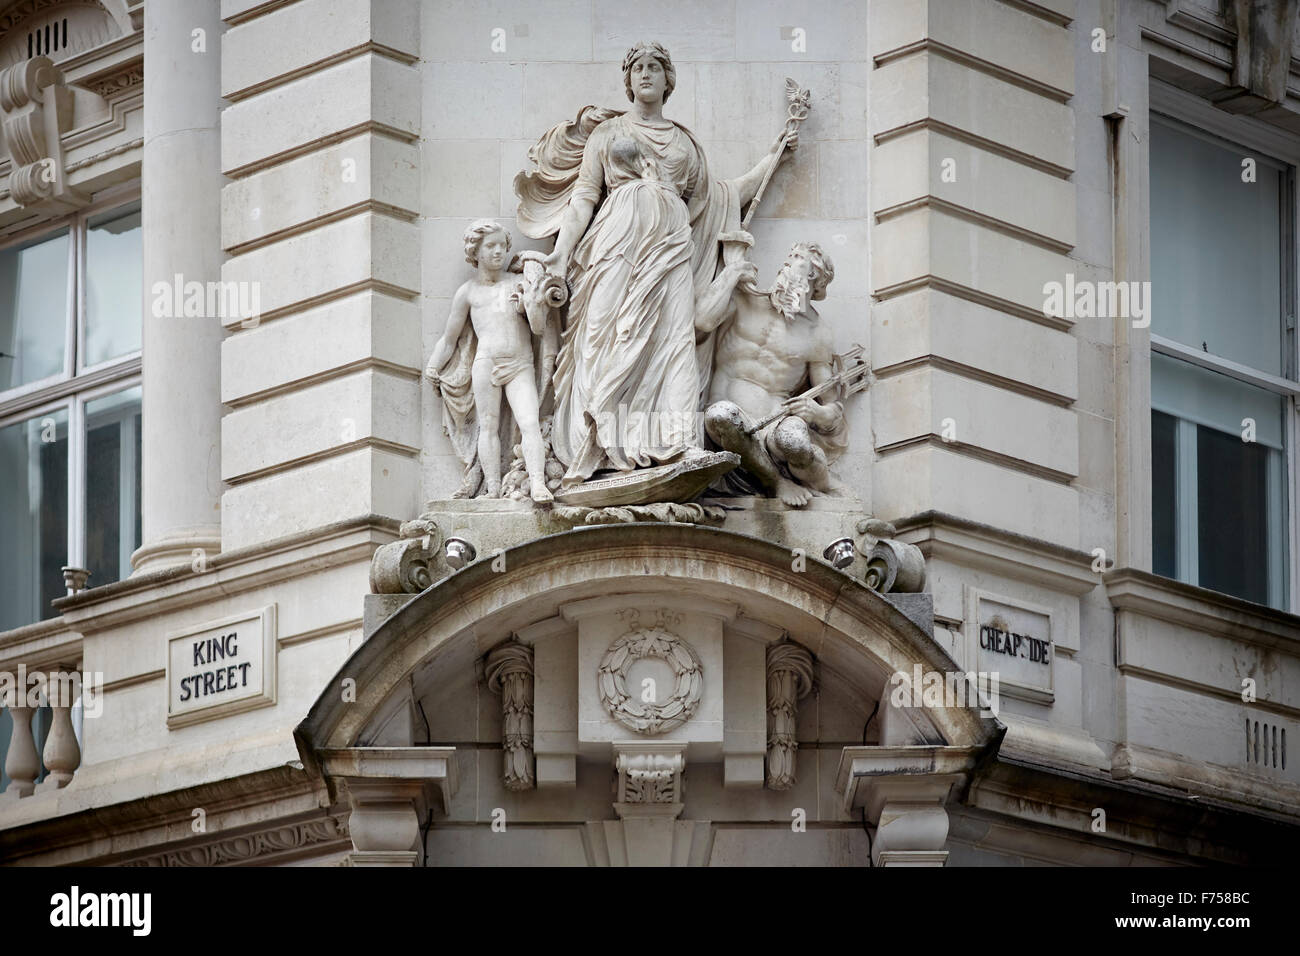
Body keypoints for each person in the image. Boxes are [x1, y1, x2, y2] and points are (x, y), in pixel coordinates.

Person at [516, 41, 795, 490]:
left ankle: (676, 442)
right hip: (615, 241)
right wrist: (561, 253)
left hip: (671, 245)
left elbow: (721, 197)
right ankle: (600, 442)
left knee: (674, 339)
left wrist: (772, 159)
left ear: (669, 81)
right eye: (638, 69)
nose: (645, 74)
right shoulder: (608, 135)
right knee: (604, 334)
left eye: (654, 68)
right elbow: (586, 195)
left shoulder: (685, 143)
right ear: (628, 82)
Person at [698, 242, 848, 507]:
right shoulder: (747, 300)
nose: (788, 260)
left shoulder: (817, 333)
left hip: (775, 422)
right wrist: (731, 273)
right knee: (722, 415)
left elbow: (831, 407)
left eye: (798, 257)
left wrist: (815, 412)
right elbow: (701, 323)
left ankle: (825, 484)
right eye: (789, 254)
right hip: (728, 419)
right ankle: (777, 482)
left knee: (794, 441)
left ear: (814, 275)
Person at [427, 220, 553, 502]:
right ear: (476, 251)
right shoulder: (468, 292)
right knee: (488, 426)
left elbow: (539, 329)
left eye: (501, 246)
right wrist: (434, 366)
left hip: (520, 364)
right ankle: (493, 488)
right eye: (490, 246)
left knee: (529, 422)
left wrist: (529, 304)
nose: (498, 252)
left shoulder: (519, 283)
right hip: (486, 364)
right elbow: (449, 339)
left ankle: (537, 484)